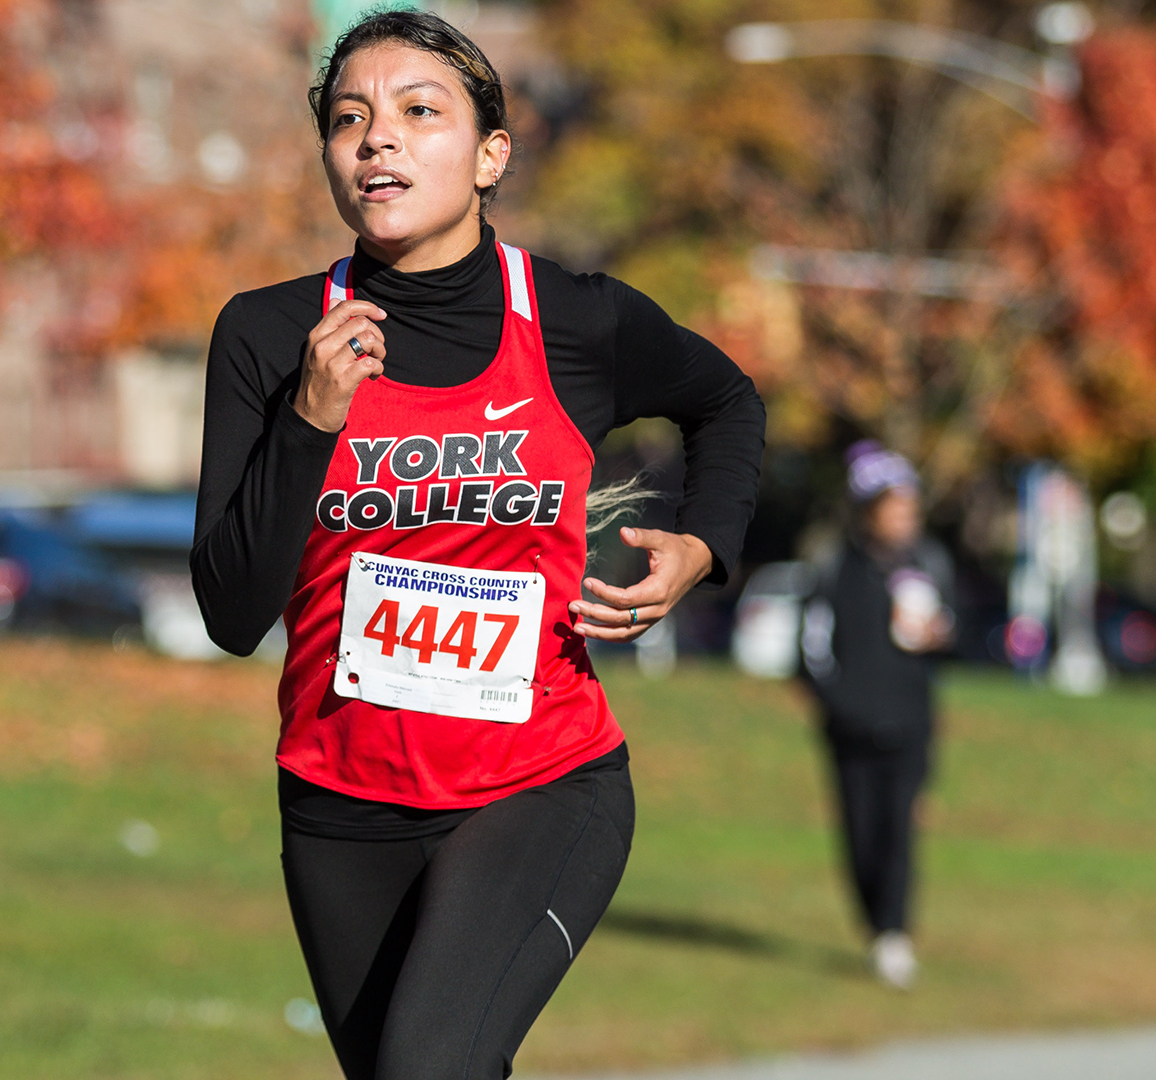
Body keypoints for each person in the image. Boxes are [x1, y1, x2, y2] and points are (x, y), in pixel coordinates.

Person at [188, 11, 765, 1077]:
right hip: (340, 803)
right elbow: (230, 613)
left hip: (541, 782)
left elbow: (727, 401)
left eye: (419, 112)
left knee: (431, 1066)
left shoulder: (577, 321)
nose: (378, 138)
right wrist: (309, 420)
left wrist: (704, 544)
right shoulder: (270, 337)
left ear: (491, 155)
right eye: (348, 119)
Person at [799, 441, 955, 990]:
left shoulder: (929, 565)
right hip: (850, 730)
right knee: (861, 834)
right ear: (868, 512)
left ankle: (895, 933)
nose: (904, 519)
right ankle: (876, 925)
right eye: (893, 508)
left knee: (899, 831)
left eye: (910, 508)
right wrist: (836, 702)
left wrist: (940, 636)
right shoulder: (835, 566)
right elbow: (810, 649)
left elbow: (951, 638)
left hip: (910, 725)